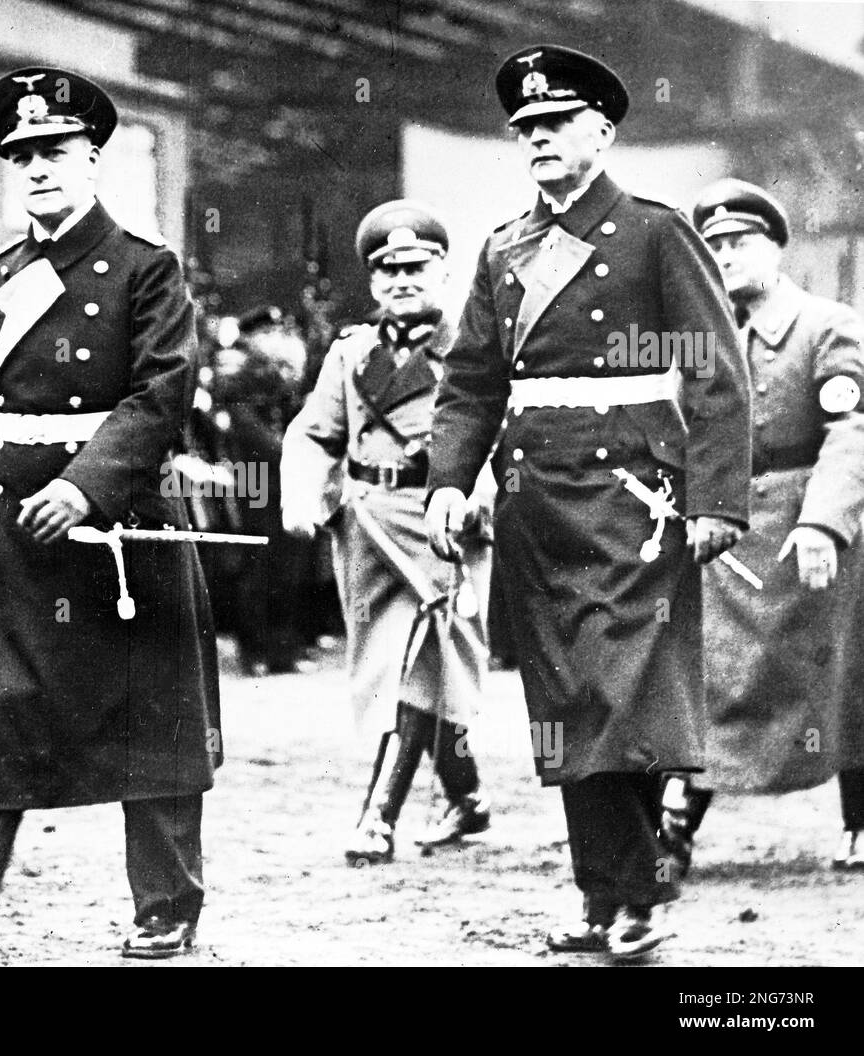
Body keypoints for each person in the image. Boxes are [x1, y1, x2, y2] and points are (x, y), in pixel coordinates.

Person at [0, 67, 220, 960]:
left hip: (122, 524)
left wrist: (86, 485)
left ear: (92, 158)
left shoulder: (147, 265)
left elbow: (162, 394)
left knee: (152, 717)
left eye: (55, 151)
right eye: (21, 156)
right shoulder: (5, 269)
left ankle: (166, 903)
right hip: (17, 518)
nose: (37, 168)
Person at [423, 45, 752, 959]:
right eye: (524, 128)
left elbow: (717, 373)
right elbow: (469, 384)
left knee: (623, 696)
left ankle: (634, 894)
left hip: (636, 496)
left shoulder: (655, 231)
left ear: (600, 132)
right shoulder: (503, 247)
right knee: (567, 702)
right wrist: (450, 481)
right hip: (538, 502)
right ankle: (602, 896)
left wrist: (718, 498)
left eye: (555, 124)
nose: (536, 139)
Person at [658, 179, 864, 873]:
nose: (725, 255)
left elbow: (852, 431)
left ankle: (859, 821)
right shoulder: (701, 339)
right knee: (711, 672)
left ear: (776, 248)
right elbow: (679, 428)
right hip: (726, 526)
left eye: (739, 242)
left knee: (840, 675)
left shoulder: (827, 325)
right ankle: (676, 825)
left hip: (810, 527)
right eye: (712, 245)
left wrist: (825, 525)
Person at [283, 200, 494, 866]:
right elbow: (316, 432)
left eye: (417, 268)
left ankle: (378, 816)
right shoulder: (351, 353)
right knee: (384, 668)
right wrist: (301, 492)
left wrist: (476, 502)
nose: (403, 282)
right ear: (374, 283)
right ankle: (465, 795)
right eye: (389, 272)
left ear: (442, 272)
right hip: (368, 526)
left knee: (420, 664)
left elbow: (498, 438)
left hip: (443, 523)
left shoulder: (472, 349)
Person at [220, 304, 310, 675]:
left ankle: (282, 650)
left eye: (279, 332)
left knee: (288, 560)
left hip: (282, 472)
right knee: (257, 558)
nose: (276, 339)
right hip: (254, 472)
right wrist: (286, 450)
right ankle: (254, 649)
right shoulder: (239, 373)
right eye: (267, 333)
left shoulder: (282, 374)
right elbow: (246, 426)